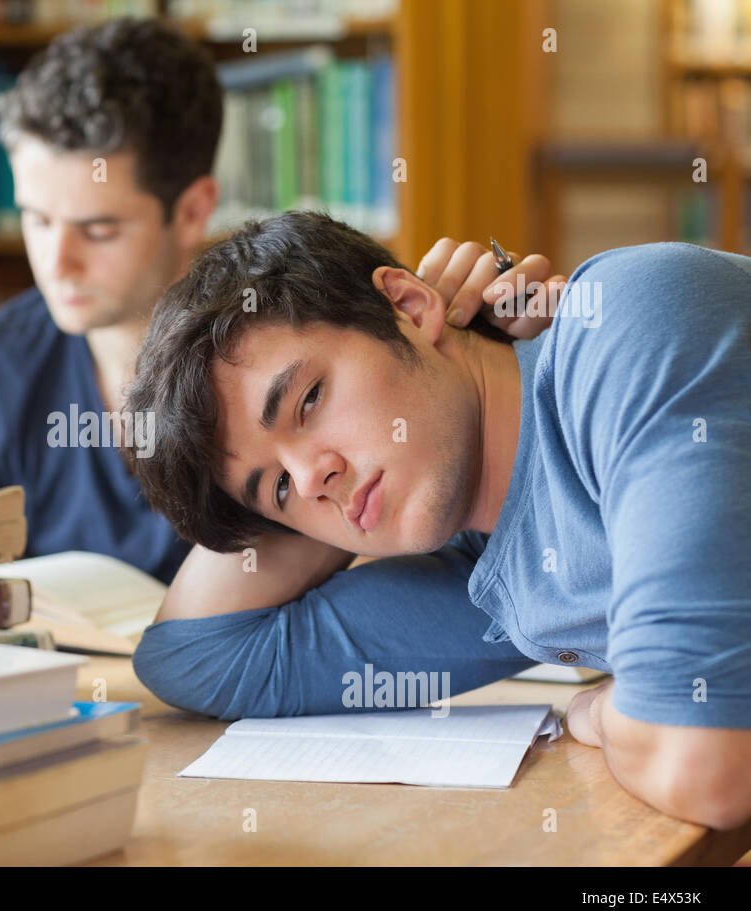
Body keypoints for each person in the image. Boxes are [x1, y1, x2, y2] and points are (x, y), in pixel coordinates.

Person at [123, 210, 751, 830]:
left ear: (410, 306)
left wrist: (600, 715)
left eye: (308, 400)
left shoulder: (625, 319)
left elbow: (710, 765)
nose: (312, 478)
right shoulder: (489, 577)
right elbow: (193, 656)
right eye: (280, 486)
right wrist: (321, 508)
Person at [0, 17, 561, 584]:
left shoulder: (326, 328)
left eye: (98, 229)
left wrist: (485, 362)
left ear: (194, 209)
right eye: (35, 220)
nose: (55, 262)